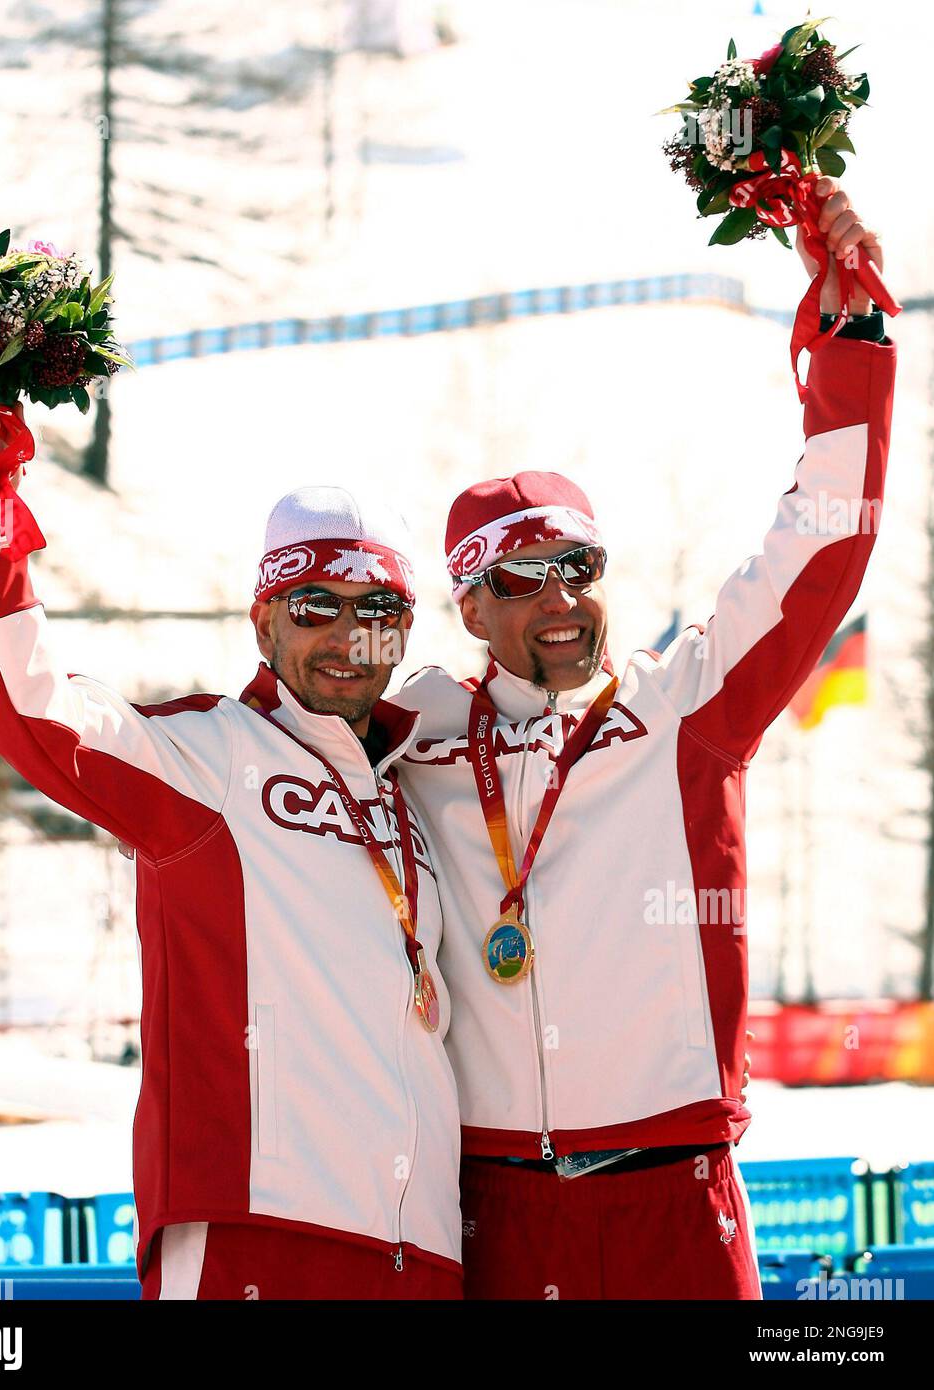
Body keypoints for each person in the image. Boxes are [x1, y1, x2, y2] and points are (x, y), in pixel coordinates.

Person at [392, 176, 896, 1299]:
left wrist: (848, 333)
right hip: (496, 1210)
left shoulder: (685, 709)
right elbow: (254, 728)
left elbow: (818, 551)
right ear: (469, 607)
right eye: (520, 579)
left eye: (578, 566)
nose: (560, 597)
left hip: (672, 1200)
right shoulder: (409, 730)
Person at [0, 459, 462, 1300]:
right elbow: (32, 709)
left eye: (379, 613)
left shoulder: (417, 790)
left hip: (420, 1251)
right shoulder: (206, 759)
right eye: (316, 606)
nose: (349, 637)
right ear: (263, 625)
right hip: (256, 1231)